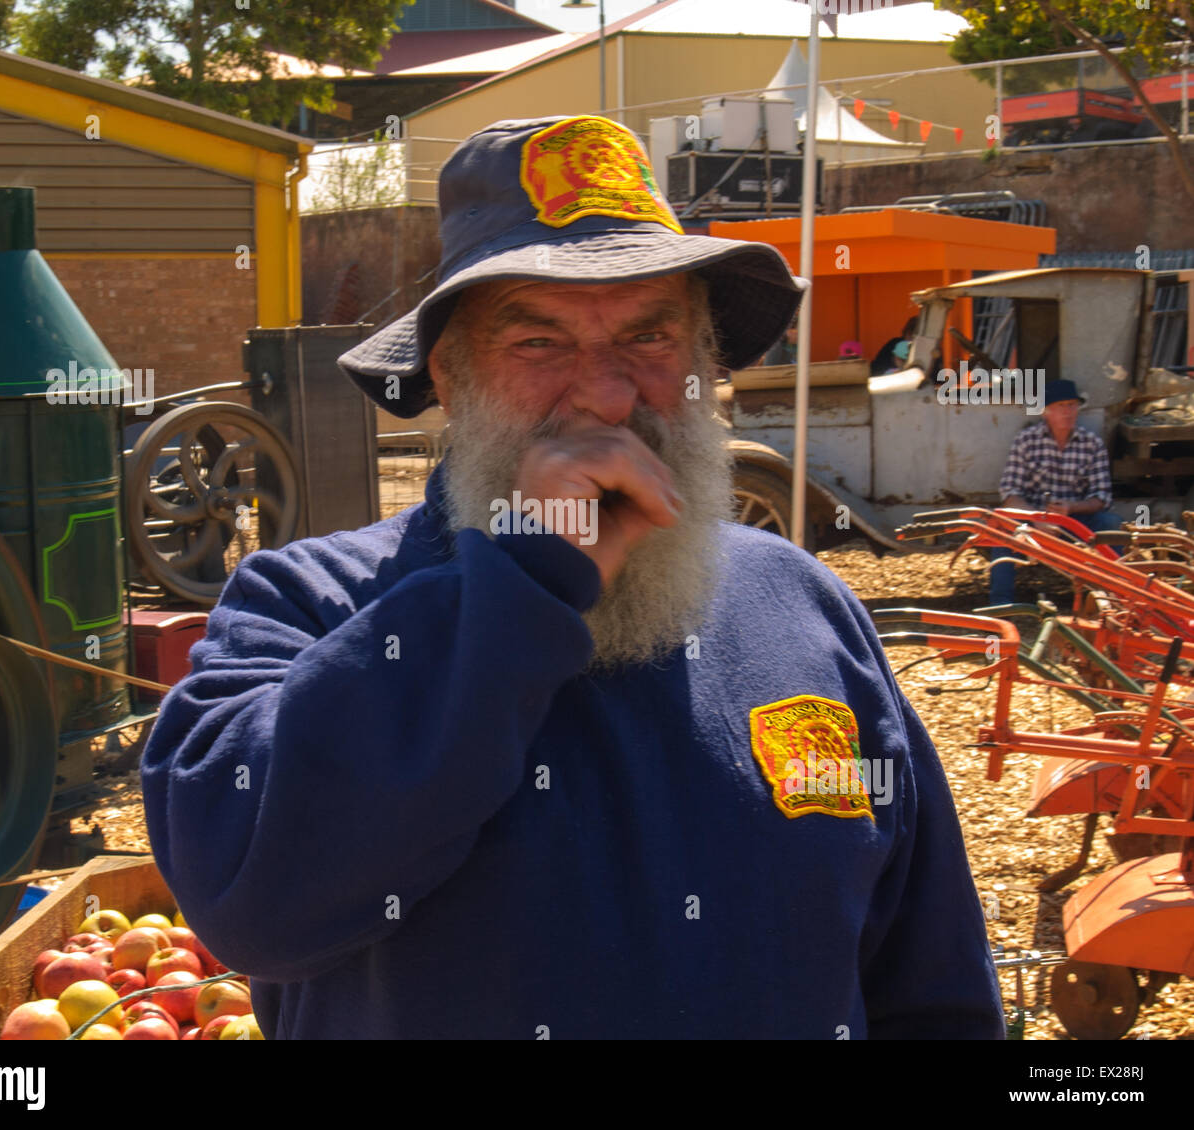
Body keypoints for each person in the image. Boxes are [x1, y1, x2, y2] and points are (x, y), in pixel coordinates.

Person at [140, 115, 1004, 1040]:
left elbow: (934, 985)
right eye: (540, 342)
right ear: (452, 376)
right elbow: (249, 903)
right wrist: (521, 574)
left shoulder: (802, 602)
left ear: (703, 363)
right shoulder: (311, 604)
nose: (606, 394)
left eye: (650, 336)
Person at [988, 378, 1123, 606]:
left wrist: (1070, 509)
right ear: (1046, 411)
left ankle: (1119, 601)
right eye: (1061, 406)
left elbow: (1101, 497)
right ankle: (1000, 609)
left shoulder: (1092, 444)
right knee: (1001, 527)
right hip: (1033, 518)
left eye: (1072, 405)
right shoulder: (1027, 441)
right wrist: (1038, 518)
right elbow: (1009, 493)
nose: (1068, 412)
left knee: (1110, 525)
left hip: (1076, 519)